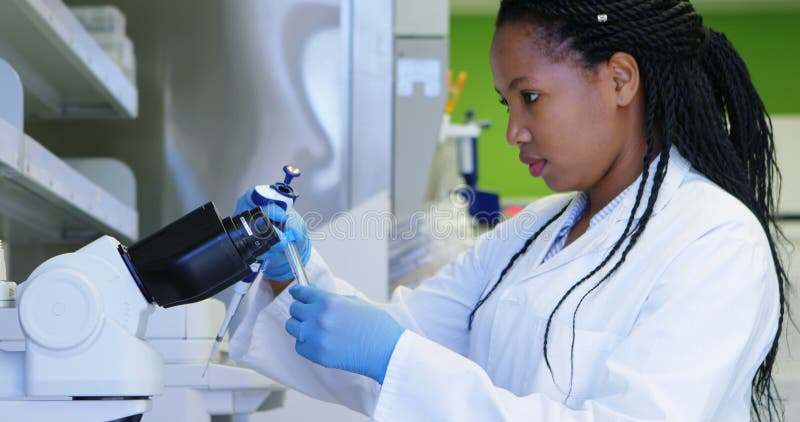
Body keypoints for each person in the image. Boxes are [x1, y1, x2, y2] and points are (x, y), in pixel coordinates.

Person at [228, 1, 788, 420]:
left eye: (531, 97)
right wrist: (289, 275)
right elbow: (391, 352)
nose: (514, 131)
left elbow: (402, 360)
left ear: (619, 79)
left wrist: (397, 357)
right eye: (507, 103)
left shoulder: (714, 239)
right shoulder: (532, 230)